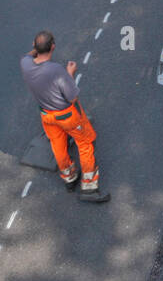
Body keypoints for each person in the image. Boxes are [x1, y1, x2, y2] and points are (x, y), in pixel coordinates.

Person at [19, 32, 110, 202]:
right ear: (53, 46)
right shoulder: (57, 71)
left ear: (34, 46)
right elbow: (72, 97)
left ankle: (69, 178)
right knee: (85, 143)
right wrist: (70, 73)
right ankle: (89, 187)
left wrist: (36, 48)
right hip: (67, 116)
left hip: (46, 115)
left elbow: (30, 55)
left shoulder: (25, 63)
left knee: (58, 145)